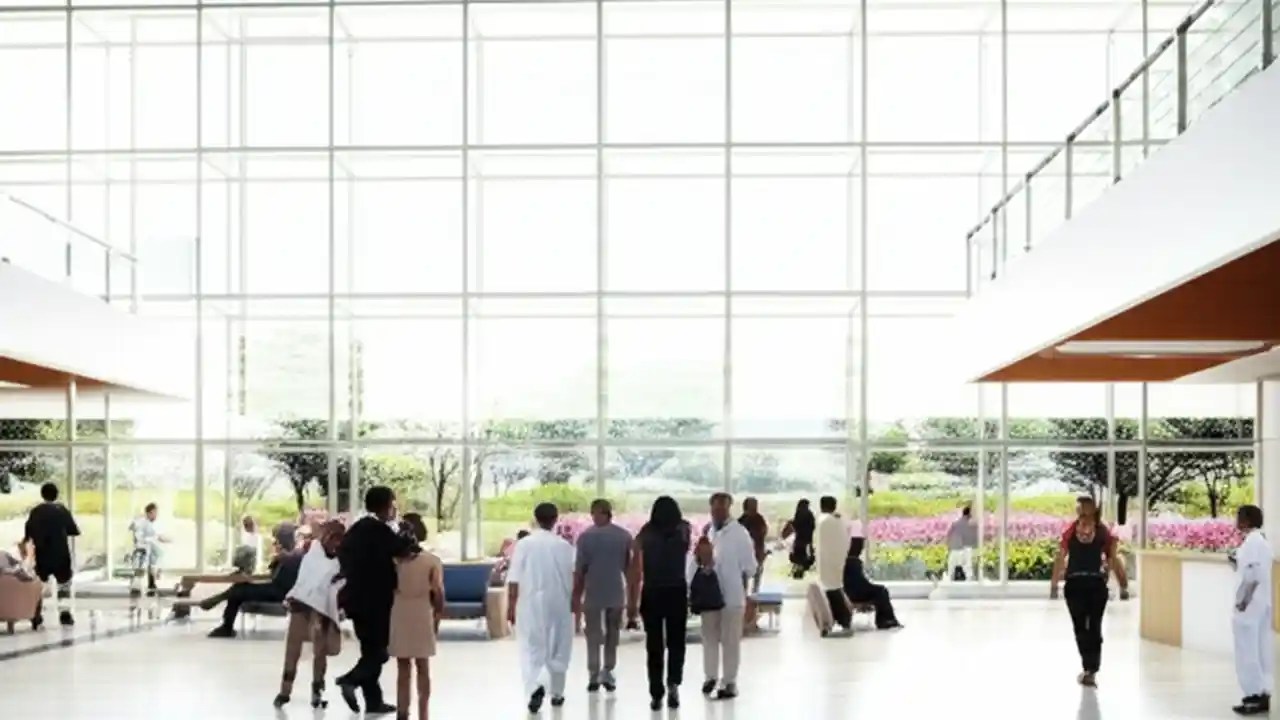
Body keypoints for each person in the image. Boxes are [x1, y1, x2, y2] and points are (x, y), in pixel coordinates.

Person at [336, 486, 417, 716]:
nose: (395, 508)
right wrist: (405, 532)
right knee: (379, 652)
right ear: (386, 505)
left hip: (355, 599)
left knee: (369, 649)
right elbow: (404, 551)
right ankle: (349, 680)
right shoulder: (378, 530)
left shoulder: (357, 529)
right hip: (375, 602)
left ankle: (374, 701)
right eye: (394, 503)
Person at [1050, 496, 1129, 687]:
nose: (1082, 512)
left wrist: (1122, 583)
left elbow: (1113, 558)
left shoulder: (1104, 533)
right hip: (1077, 584)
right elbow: (1061, 557)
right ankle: (1089, 667)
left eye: (1085, 508)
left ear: (1093, 509)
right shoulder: (1071, 531)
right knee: (1082, 628)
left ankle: (1091, 669)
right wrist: (1054, 583)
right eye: (1080, 509)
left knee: (1093, 627)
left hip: (1094, 584)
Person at [508, 502, 575, 714]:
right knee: (559, 647)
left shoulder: (525, 544)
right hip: (559, 602)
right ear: (556, 519)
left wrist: (510, 606)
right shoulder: (564, 546)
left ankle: (536, 686)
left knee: (532, 648)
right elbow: (574, 577)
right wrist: (576, 604)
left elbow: (514, 579)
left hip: (531, 602)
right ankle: (556, 692)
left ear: (535, 518)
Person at [628, 496, 691, 711]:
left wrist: (632, 603)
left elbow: (636, 568)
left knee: (654, 644)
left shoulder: (646, 533)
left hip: (653, 591)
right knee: (676, 641)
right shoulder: (684, 530)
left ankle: (656, 693)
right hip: (677, 590)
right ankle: (674, 684)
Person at [275, 520, 346, 710]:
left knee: (320, 653)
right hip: (300, 606)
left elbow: (337, 586)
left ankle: (317, 692)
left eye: (338, 539)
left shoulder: (341, 562)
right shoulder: (312, 552)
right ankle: (284, 692)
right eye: (331, 538)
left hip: (321, 611)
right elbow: (306, 577)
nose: (335, 543)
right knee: (292, 651)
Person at [700, 492, 758, 701]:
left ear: (729, 509)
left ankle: (730, 681)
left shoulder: (740, 534)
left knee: (730, 640)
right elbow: (695, 560)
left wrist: (747, 591)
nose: (718, 512)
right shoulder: (707, 532)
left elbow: (751, 567)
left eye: (722, 509)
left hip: (732, 596)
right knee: (709, 638)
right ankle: (710, 677)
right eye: (714, 509)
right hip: (708, 595)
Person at [572, 499, 632, 694]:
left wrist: (577, 596)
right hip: (614, 589)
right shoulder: (623, 536)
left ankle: (596, 672)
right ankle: (605, 670)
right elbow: (628, 568)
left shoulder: (585, 538)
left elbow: (580, 570)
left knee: (596, 633)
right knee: (610, 634)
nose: (595, 517)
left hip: (594, 589)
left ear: (605, 514)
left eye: (596, 513)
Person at [389, 513, 444, 720]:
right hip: (423, 612)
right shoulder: (432, 561)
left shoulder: (393, 562)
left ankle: (402, 711)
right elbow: (438, 593)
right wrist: (438, 617)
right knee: (423, 666)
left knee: (403, 667)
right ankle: (424, 712)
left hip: (399, 611)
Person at [205, 523, 304, 638]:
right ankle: (221, 608)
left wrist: (279, 556)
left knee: (239, 589)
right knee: (239, 588)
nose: (275, 542)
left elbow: (279, 571)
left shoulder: (294, 554)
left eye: (277, 539)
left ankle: (224, 617)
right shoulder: (290, 554)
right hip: (277, 588)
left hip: (280, 592)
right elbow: (272, 572)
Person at [1230, 504, 1274, 715]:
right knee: (1260, 647)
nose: (1236, 521)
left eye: (1239, 517)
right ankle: (1261, 692)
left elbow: (1253, 575)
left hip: (1250, 604)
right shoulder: (1260, 541)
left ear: (1246, 520)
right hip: (1262, 602)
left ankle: (1254, 693)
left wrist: (1244, 600)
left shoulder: (1252, 543)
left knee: (1247, 649)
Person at [23, 482, 80, 628]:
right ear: (56, 495)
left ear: (42, 495)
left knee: (40, 585)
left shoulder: (35, 511)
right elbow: (73, 530)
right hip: (60, 553)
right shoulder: (61, 510)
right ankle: (65, 614)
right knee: (64, 584)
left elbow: (28, 533)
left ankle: (36, 614)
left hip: (42, 554)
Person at [843, 536, 902, 630]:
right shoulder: (852, 562)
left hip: (850, 590)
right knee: (881, 591)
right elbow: (859, 583)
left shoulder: (847, 561)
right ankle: (886, 620)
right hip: (854, 592)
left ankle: (886, 620)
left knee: (880, 590)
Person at [814, 496, 853, 631]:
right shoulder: (839, 521)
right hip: (838, 560)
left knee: (830, 590)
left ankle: (838, 619)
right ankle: (844, 619)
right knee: (836, 589)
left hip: (826, 561)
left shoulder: (823, 520)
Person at [128, 503, 170, 597]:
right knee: (143, 567)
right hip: (142, 548)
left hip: (149, 548)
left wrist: (165, 540)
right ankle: (139, 586)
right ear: (150, 512)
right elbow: (133, 529)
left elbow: (156, 536)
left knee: (153, 563)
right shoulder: (142, 522)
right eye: (155, 512)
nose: (156, 515)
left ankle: (151, 585)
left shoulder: (150, 523)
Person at [738, 498, 768, 594]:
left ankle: (755, 597)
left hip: (758, 553)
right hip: (745, 555)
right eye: (753, 506)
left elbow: (763, 533)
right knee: (744, 579)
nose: (755, 508)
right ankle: (744, 598)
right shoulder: (741, 521)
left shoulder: (760, 519)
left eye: (756, 505)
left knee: (757, 578)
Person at [946, 506, 979, 582]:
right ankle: (969, 584)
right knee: (968, 571)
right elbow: (975, 538)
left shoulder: (956, 524)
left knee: (951, 570)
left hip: (956, 549)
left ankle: (949, 582)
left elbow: (949, 536)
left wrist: (949, 546)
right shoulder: (972, 525)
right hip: (966, 549)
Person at [787, 499, 816, 579]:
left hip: (800, 540)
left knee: (799, 556)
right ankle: (799, 570)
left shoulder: (800, 513)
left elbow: (796, 526)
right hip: (807, 541)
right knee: (802, 556)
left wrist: (791, 523)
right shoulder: (810, 514)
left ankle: (798, 570)